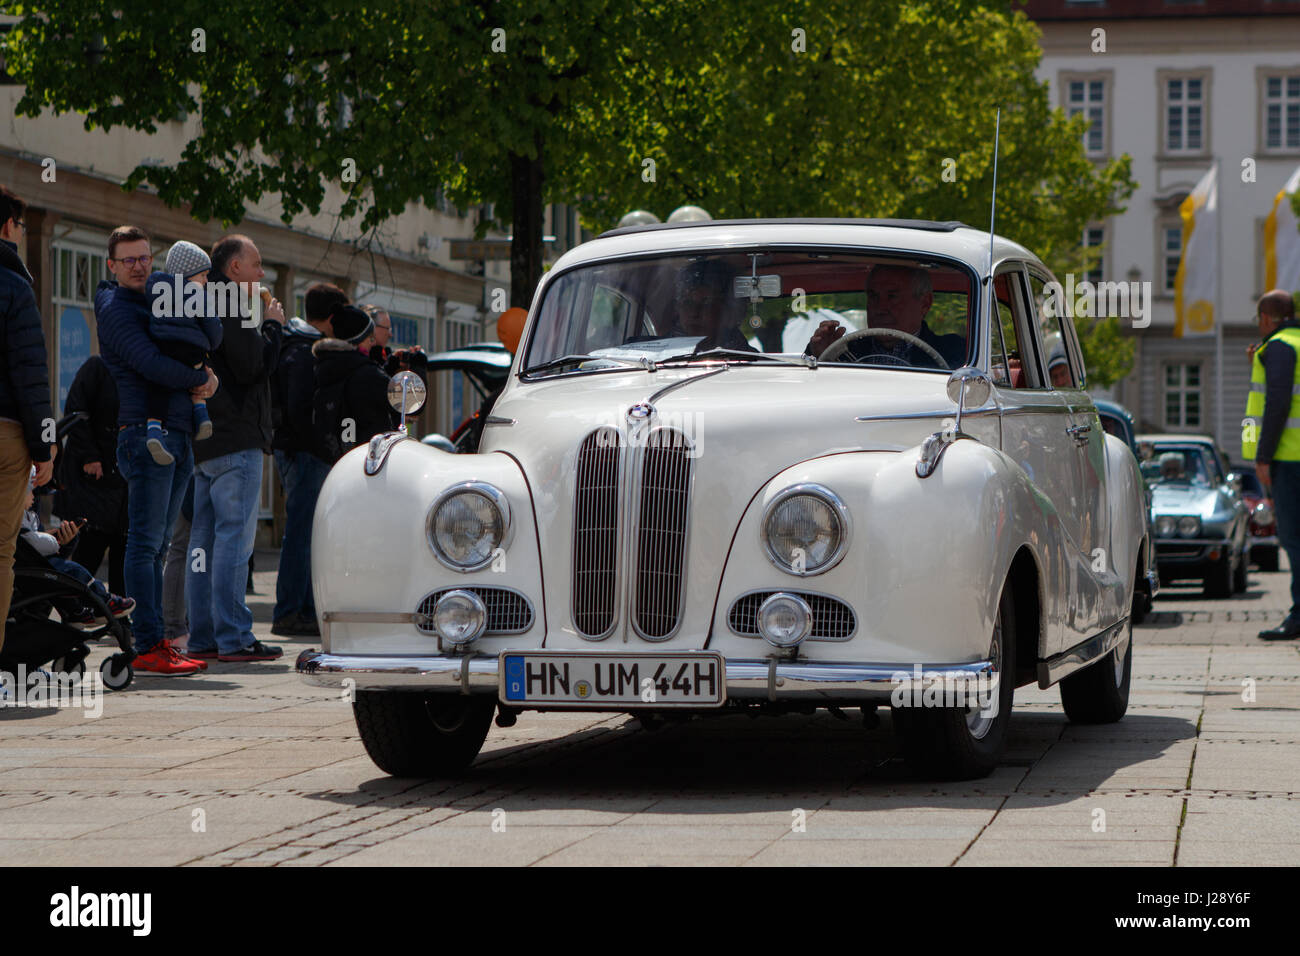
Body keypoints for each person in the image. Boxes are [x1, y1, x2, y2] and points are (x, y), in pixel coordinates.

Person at [95, 224, 216, 675]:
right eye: (129, 259)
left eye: (145, 257)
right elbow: (149, 362)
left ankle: (159, 641)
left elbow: (189, 344)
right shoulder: (115, 305)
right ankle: (145, 645)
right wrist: (199, 378)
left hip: (178, 432)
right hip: (145, 437)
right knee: (145, 544)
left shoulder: (158, 298)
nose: (139, 266)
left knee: (160, 545)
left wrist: (205, 372)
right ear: (112, 265)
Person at [185, 234, 285, 663]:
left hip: (206, 439)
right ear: (233, 269)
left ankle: (203, 635)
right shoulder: (234, 304)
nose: (263, 274)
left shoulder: (205, 302)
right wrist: (272, 326)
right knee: (233, 541)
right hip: (236, 438)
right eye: (256, 263)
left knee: (202, 542)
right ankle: (235, 637)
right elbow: (252, 367)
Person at [269, 282, 345, 637]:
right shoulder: (304, 353)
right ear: (331, 317)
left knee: (303, 532)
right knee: (301, 533)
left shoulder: (294, 344)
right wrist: (323, 447)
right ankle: (289, 612)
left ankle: (299, 609)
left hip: (294, 450)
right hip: (303, 453)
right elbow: (302, 411)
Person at [0, 185, 56, 655]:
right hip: (5, 432)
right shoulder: (14, 286)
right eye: (20, 225)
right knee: (0, 553)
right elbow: (30, 375)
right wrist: (45, 447)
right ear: (7, 227)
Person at [1245, 289, 1300, 640]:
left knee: (1294, 540)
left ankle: (1298, 616)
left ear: (1266, 318)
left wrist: (1263, 454)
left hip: (1290, 459)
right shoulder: (1288, 345)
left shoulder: (1279, 348)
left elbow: (1277, 403)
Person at [141, 241, 223, 464]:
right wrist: (211, 343)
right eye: (203, 275)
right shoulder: (198, 295)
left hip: (164, 347)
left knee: (159, 386)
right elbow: (214, 330)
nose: (206, 280)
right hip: (192, 350)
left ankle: (154, 428)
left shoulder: (155, 288)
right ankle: (201, 411)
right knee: (201, 367)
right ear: (190, 273)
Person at [56, 354, 128, 597]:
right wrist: (90, 456)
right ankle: (74, 606)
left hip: (122, 478)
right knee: (90, 545)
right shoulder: (97, 367)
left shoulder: (138, 369)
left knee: (123, 545)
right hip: (93, 479)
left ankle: (119, 612)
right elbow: (76, 413)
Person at [20, 479, 135, 627]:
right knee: (72, 572)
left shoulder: (27, 513)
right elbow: (32, 542)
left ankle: (77, 612)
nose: (34, 496)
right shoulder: (17, 516)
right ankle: (103, 602)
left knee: (64, 576)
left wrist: (63, 540)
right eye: (30, 492)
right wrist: (55, 541)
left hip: (33, 563)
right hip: (29, 567)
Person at [807, 264, 967, 367]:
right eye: (873, 296)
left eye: (892, 296)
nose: (880, 308)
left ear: (924, 304)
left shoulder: (954, 352)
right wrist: (819, 355)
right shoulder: (844, 350)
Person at [311, 305, 397, 463]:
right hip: (369, 461)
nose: (373, 343)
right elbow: (405, 405)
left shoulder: (325, 366)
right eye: (369, 338)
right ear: (357, 340)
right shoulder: (368, 374)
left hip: (334, 461)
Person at [669, 260, 755, 352]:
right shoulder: (658, 356)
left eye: (707, 303)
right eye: (687, 302)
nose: (694, 312)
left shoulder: (757, 362)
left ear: (733, 312)